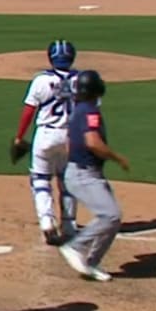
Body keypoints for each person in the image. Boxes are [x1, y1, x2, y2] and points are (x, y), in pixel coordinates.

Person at [57, 69, 130, 282]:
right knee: (111, 215)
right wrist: (118, 158)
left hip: (85, 172)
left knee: (113, 218)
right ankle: (75, 246)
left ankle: (91, 263)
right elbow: (92, 143)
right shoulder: (89, 112)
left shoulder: (81, 109)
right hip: (83, 174)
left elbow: (71, 144)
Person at [11, 40, 79, 246]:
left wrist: (19, 136)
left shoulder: (41, 80)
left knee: (41, 180)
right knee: (68, 183)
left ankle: (47, 221)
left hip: (46, 136)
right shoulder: (82, 79)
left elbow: (29, 111)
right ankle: (68, 224)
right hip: (72, 137)